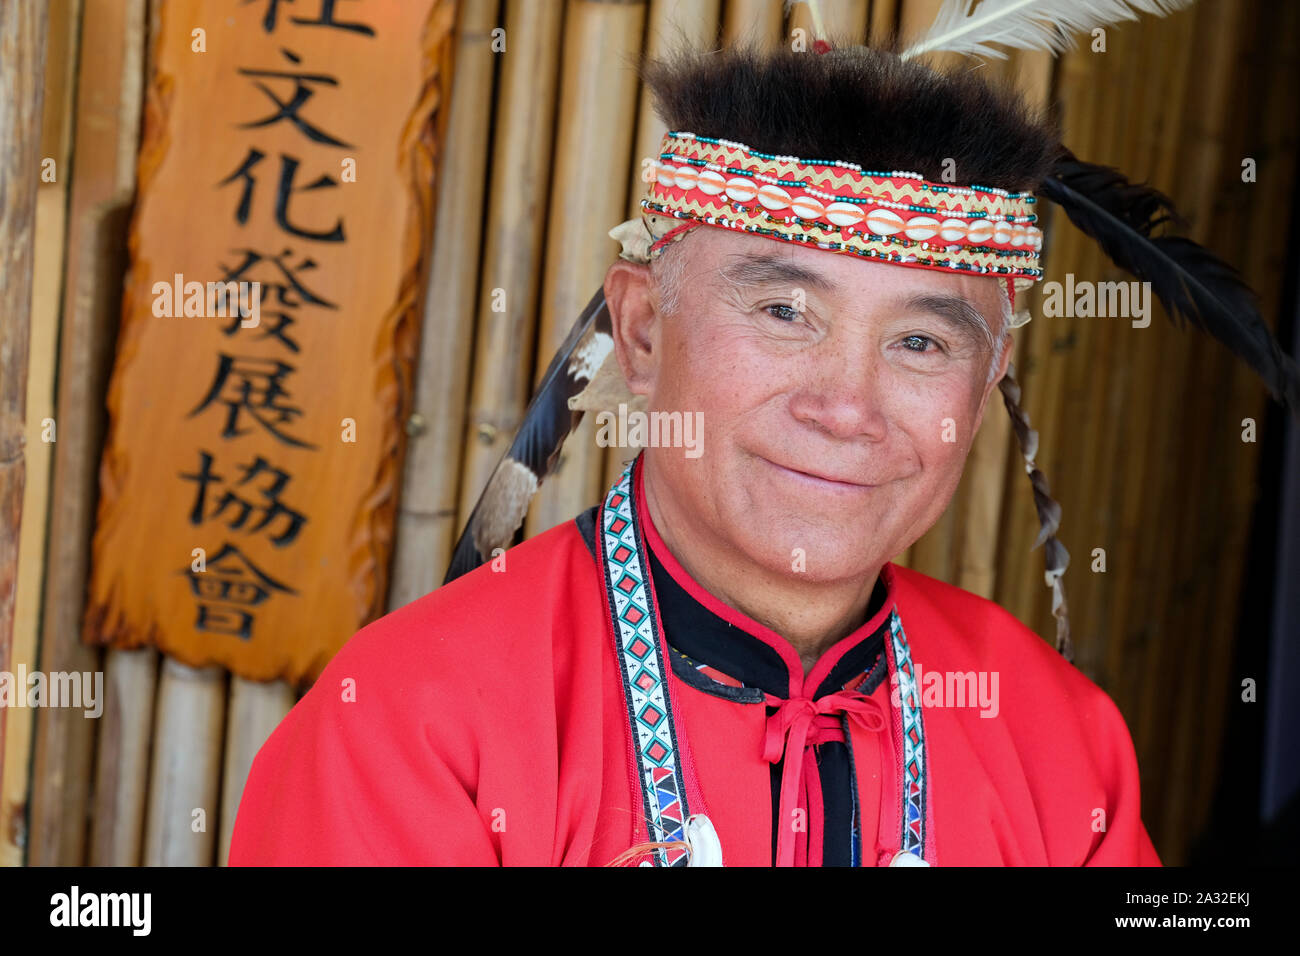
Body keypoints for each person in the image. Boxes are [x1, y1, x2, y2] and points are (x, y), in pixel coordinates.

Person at [230, 32, 1294, 867]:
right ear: (643, 332)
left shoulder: (1053, 736)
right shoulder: (409, 731)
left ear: (984, 387)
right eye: (784, 310)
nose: (847, 405)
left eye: (921, 341)